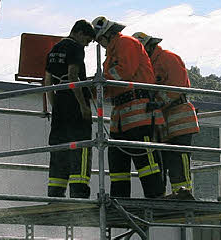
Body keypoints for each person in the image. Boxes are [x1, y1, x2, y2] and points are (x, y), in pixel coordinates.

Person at [91, 17, 164, 198]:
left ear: (108, 34)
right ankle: (120, 201)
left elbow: (124, 71)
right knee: (117, 163)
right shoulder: (110, 56)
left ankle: (155, 198)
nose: (100, 44)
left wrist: (102, 80)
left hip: (138, 112)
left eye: (100, 39)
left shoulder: (126, 43)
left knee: (146, 162)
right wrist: (93, 90)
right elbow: (111, 85)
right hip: (121, 117)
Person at [132, 32, 200, 199]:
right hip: (164, 120)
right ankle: (176, 194)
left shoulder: (168, 58)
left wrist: (160, 101)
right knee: (167, 159)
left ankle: (184, 193)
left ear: (148, 45)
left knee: (178, 157)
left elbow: (178, 86)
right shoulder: (148, 64)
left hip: (179, 117)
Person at [43, 20, 96, 198]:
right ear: (80, 33)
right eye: (87, 41)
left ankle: (55, 195)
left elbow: (48, 82)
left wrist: (54, 105)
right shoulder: (75, 48)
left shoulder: (54, 49)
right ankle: (78, 195)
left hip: (59, 102)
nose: (86, 45)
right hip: (74, 103)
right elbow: (73, 76)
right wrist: (83, 106)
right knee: (80, 147)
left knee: (59, 149)